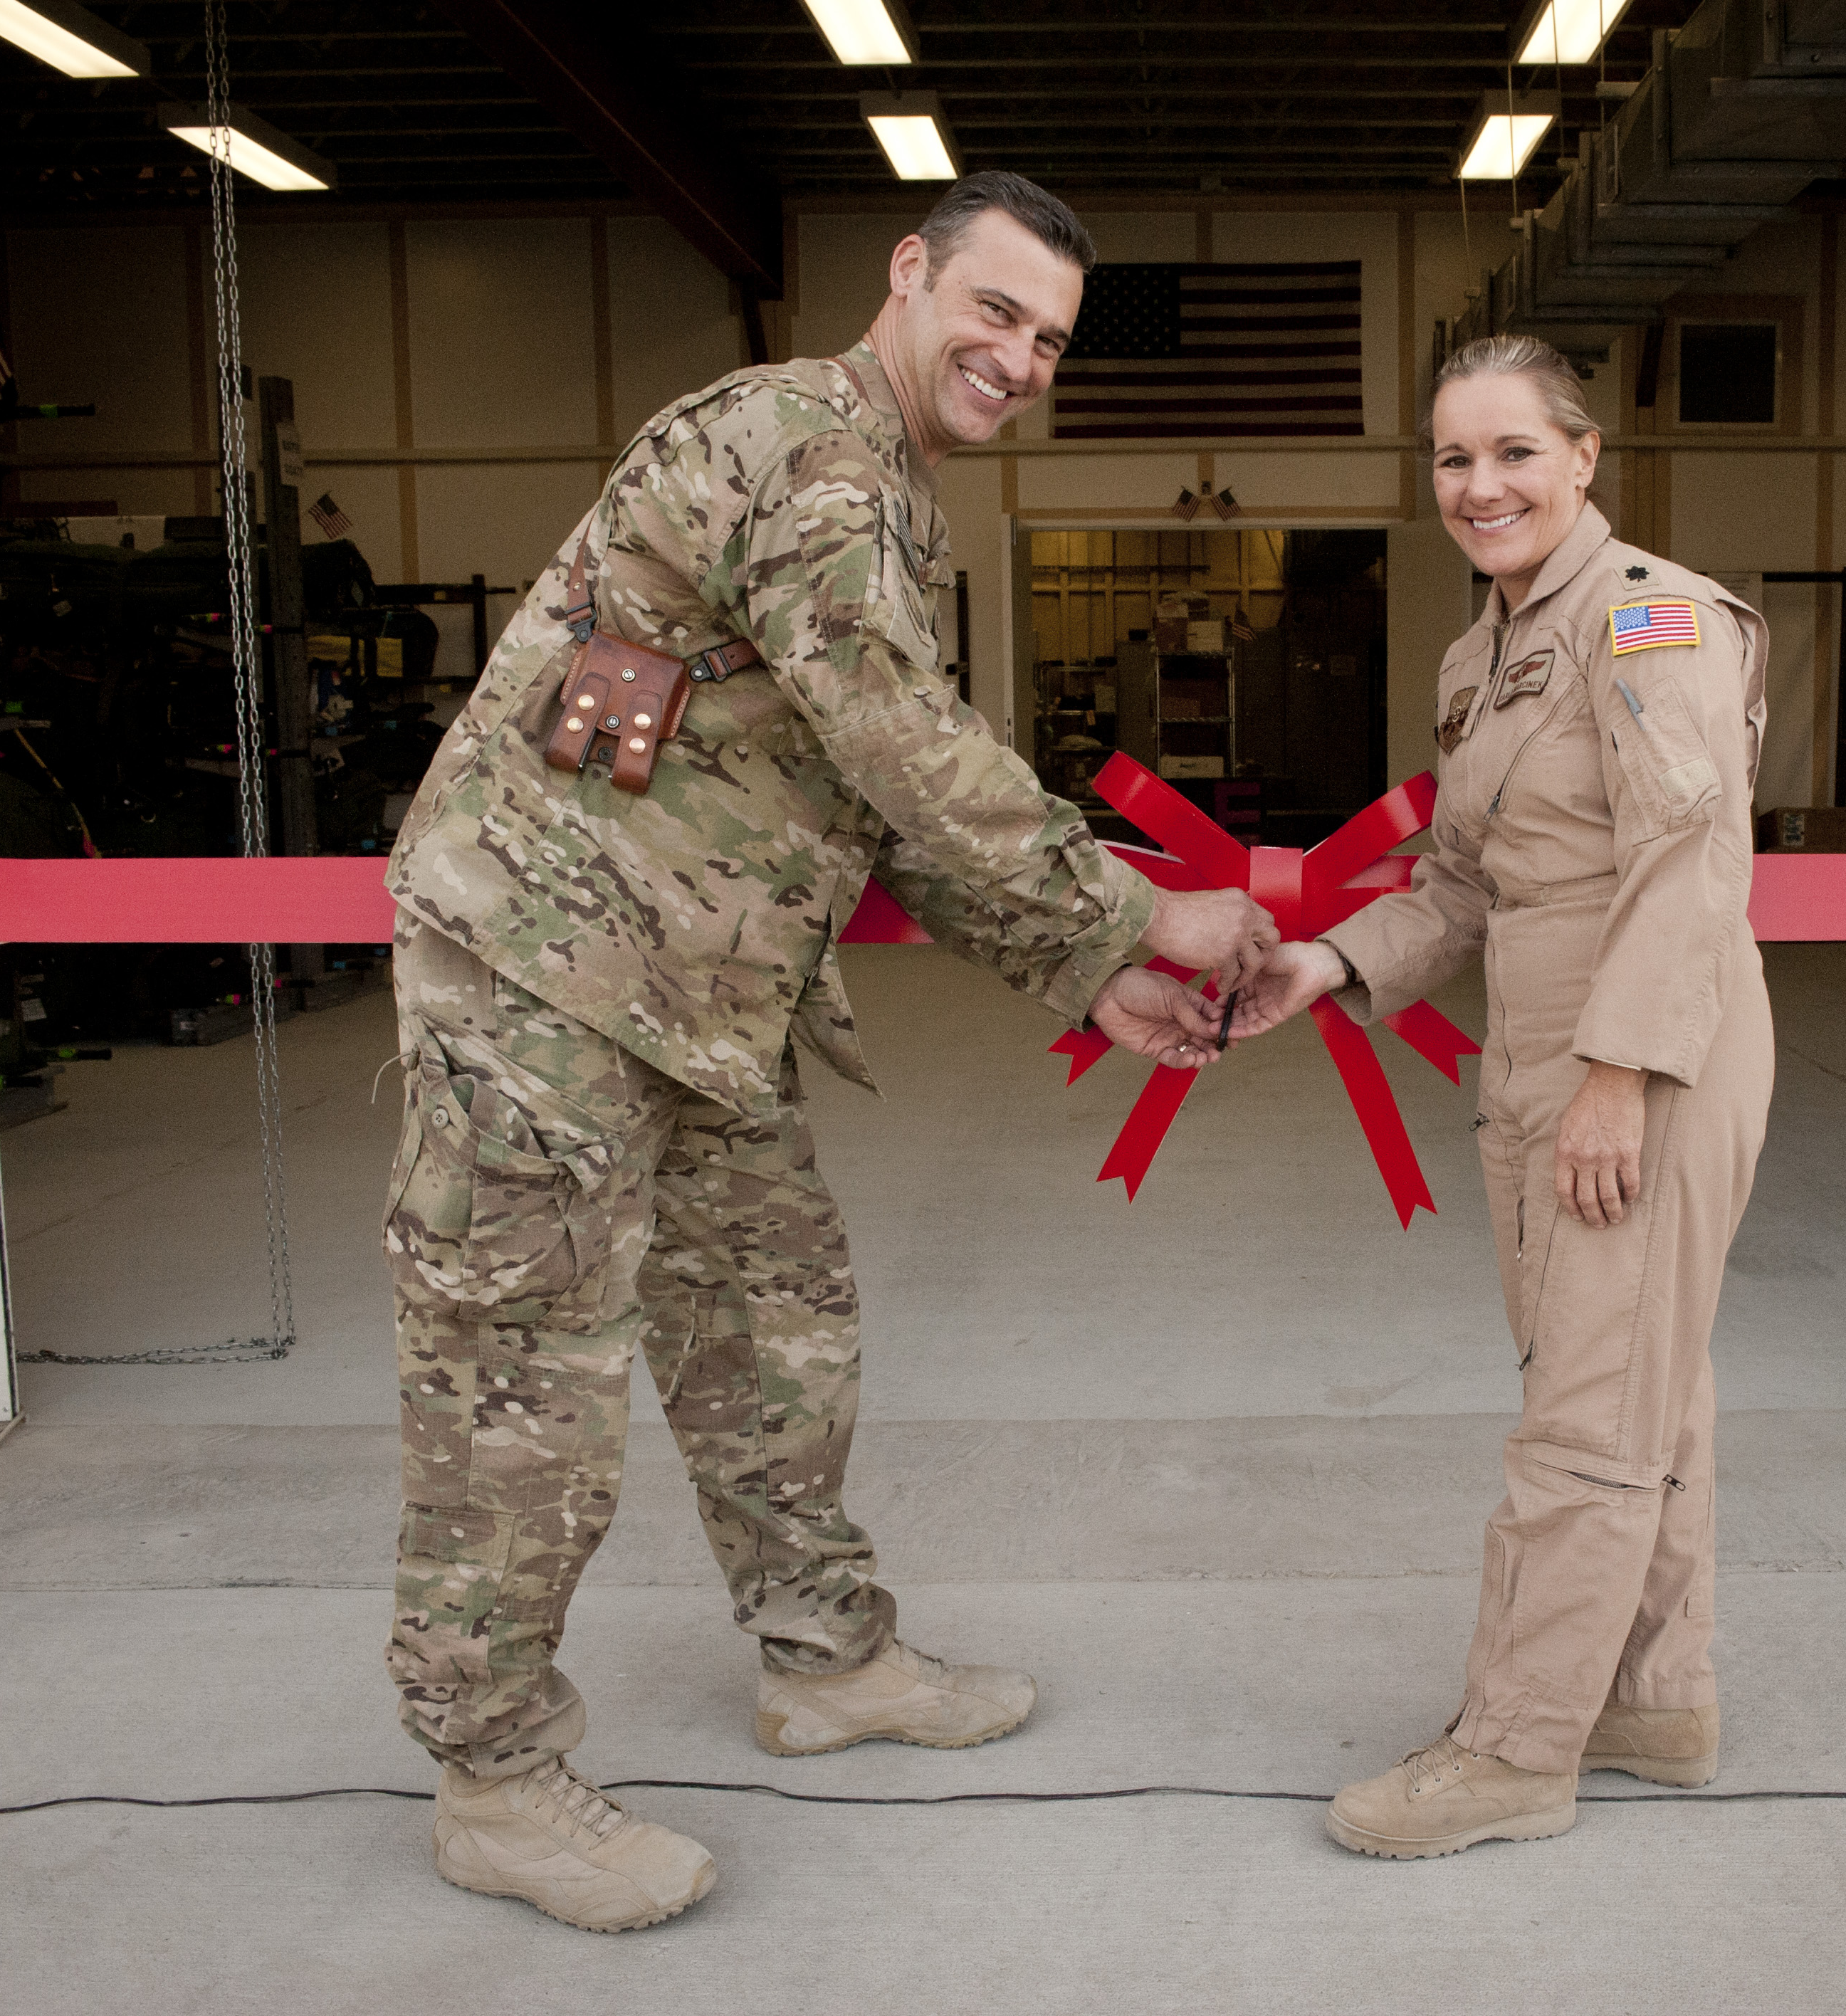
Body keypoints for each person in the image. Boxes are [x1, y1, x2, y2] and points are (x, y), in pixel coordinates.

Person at [378, 170, 1262, 1931]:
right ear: (909, 274)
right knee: (524, 1379)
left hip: (698, 990)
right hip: (543, 969)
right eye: (996, 310)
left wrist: (1083, 965)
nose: (1019, 358)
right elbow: (895, 732)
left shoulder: (886, 491)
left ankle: (827, 1662)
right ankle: (491, 1778)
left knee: (773, 1326)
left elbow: (866, 791)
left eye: (1050, 340)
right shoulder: (809, 446)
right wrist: (1135, 910)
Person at [1224, 334, 1773, 1859]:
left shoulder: (1649, 620)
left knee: (1586, 1407)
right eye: (1454, 458)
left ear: (1584, 458)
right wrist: (1330, 964)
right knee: (1639, 1379)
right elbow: (1465, 882)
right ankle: (1652, 1698)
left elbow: (1688, 859)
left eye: (1516, 452)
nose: (1481, 486)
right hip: (1542, 1044)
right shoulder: (1485, 656)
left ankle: (1517, 1750)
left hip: (1642, 1045)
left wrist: (1618, 1077)